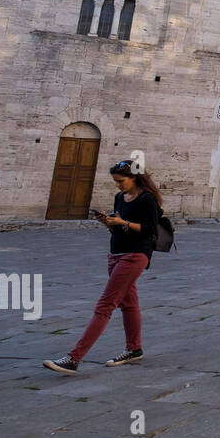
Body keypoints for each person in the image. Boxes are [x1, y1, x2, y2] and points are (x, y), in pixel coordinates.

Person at [44, 159, 162, 374]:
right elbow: (117, 229)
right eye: (116, 182)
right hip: (115, 253)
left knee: (105, 306)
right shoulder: (120, 198)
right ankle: (134, 349)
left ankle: (74, 358)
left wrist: (123, 223)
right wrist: (108, 222)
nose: (118, 185)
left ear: (135, 178)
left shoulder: (147, 199)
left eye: (121, 181)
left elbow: (149, 230)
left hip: (135, 255)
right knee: (128, 304)